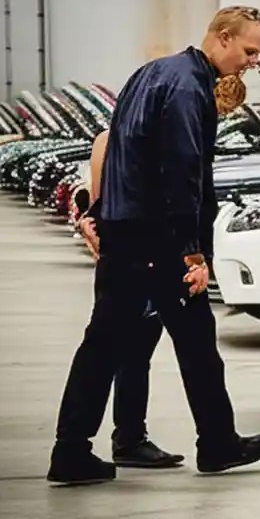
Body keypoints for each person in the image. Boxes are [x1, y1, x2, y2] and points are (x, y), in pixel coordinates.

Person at [48, 6, 260, 485]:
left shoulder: (150, 73)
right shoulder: (192, 89)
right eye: (250, 50)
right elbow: (183, 172)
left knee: (102, 345)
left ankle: (70, 450)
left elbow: (116, 145)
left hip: (125, 234)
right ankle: (217, 444)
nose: (253, 61)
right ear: (224, 37)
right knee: (196, 347)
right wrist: (193, 253)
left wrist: (99, 213)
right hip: (161, 241)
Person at [78, 129, 183, 469]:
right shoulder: (139, 139)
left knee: (122, 351)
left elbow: (96, 201)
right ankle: (122, 439)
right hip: (140, 254)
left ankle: (125, 437)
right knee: (125, 352)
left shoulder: (105, 139)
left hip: (115, 253)